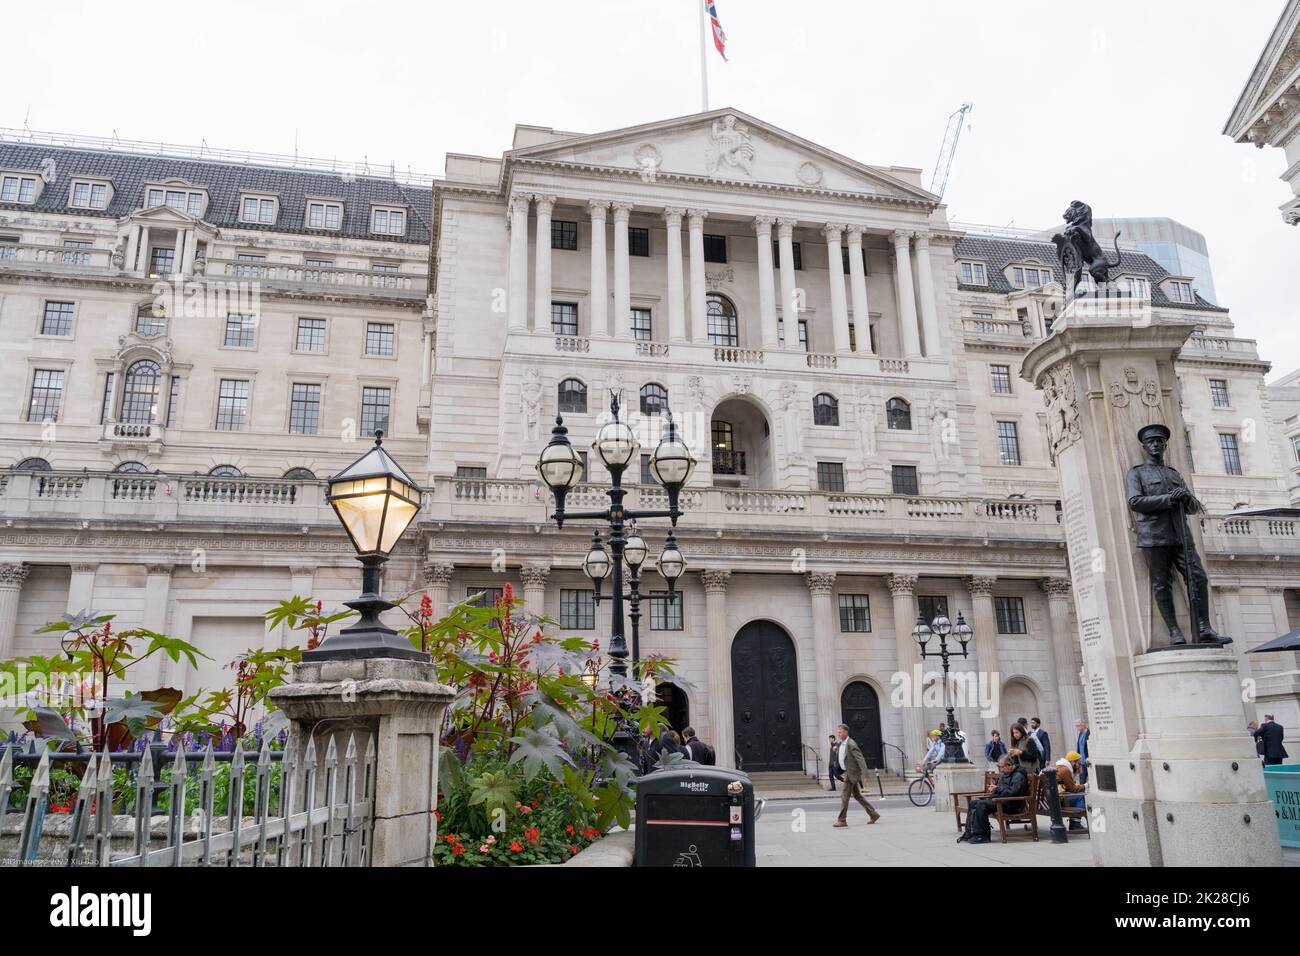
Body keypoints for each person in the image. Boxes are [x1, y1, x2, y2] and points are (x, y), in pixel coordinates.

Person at [1125, 423, 1230, 647]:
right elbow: (1135, 502)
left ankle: (1203, 628)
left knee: (1198, 577)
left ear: (1165, 445)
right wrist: (1169, 499)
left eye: (1159, 441)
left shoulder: (1174, 474)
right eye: (1151, 442)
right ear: (1144, 446)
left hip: (1180, 534)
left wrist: (1185, 497)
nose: (1155, 445)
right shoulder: (1137, 473)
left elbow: (1193, 507)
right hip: (1153, 535)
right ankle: (1174, 631)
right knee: (1161, 584)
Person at [957, 755, 1027, 844]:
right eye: (998, 767)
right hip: (1001, 801)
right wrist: (994, 791)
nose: (1000, 770)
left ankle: (982, 835)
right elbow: (1001, 789)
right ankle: (969, 832)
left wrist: (997, 789)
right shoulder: (1007, 774)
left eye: (1001, 767)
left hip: (1011, 804)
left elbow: (1014, 792)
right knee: (973, 803)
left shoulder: (1018, 776)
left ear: (1008, 765)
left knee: (981, 805)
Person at [832, 723, 881, 827]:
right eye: (838, 733)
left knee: (844, 796)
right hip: (847, 772)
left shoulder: (851, 744)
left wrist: (865, 775)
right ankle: (873, 813)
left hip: (851, 774)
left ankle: (842, 820)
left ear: (845, 732)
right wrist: (836, 751)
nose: (839, 734)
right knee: (857, 796)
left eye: (840, 732)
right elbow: (844, 756)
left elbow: (860, 759)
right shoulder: (842, 743)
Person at [1053, 752, 1088, 829]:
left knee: (1078, 795)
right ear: (1073, 762)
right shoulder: (1065, 770)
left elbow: (1068, 788)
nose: (1080, 766)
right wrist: (1086, 785)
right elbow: (1073, 789)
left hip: (1048, 801)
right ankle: (1075, 823)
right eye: (1079, 764)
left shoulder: (1060, 767)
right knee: (1080, 796)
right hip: (1056, 801)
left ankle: (1074, 821)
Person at [1074, 719, 1090, 784]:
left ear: (1083, 725)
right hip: (1081, 761)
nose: (1077, 728)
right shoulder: (1080, 733)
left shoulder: (1089, 733)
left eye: (1078, 726)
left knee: (1087, 778)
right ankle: (1081, 792)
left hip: (1087, 759)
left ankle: (1082, 792)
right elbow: (1079, 746)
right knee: (1082, 778)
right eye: (1076, 726)